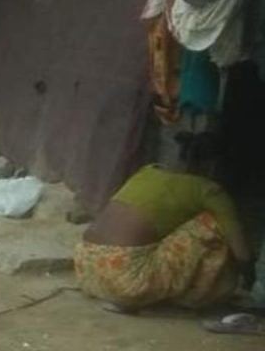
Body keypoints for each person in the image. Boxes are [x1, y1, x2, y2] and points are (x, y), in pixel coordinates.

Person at [75, 132, 250, 313]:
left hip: (86, 268)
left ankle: (129, 293)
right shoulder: (209, 190)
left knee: (158, 230)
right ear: (214, 165)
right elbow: (241, 252)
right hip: (127, 280)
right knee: (211, 224)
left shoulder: (148, 171)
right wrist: (249, 277)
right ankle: (195, 297)